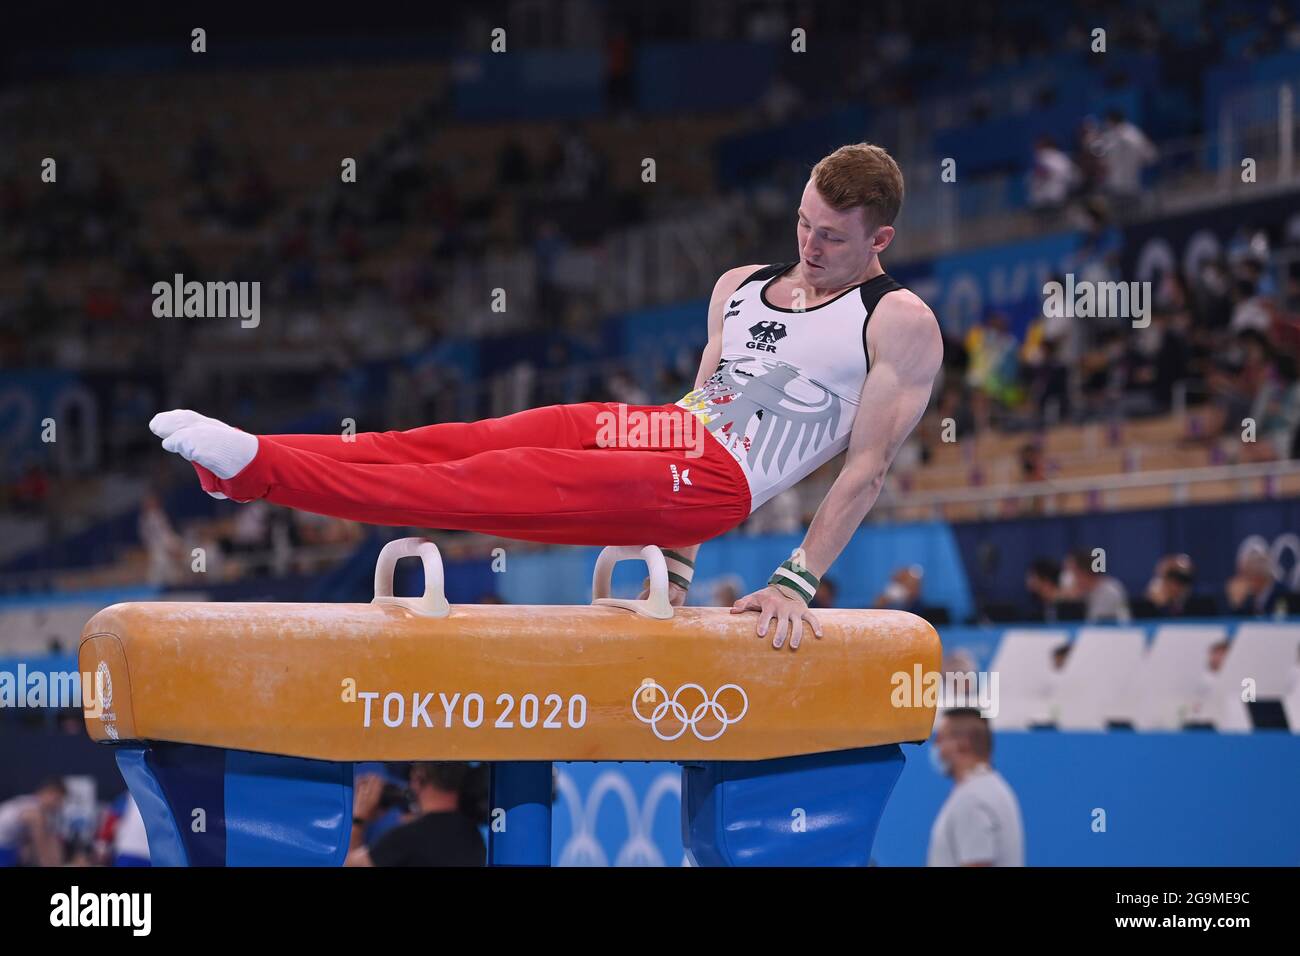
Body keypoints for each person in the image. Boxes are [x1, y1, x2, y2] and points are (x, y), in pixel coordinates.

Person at [151, 143, 943, 650]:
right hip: (660, 437)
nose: (808, 245)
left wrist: (793, 581)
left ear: (880, 241)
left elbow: (866, 468)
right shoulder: (739, 286)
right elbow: (704, 401)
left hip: (714, 481)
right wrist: (671, 572)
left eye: (832, 236)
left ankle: (258, 469)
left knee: (475, 487)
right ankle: (247, 463)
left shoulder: (898, 320)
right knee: (459, 442)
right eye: (804, 222)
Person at [927, 709, 1025, 867]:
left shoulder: (971, 799)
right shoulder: (994, 789)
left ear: (963, 743)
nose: (936, 748)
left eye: (940, 739)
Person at [346, 763, 486, 867]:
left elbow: (351, 864)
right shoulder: (473, 836)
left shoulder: (407, 838)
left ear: (418, 777)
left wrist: (359, 819)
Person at [0, 779, 66, 867]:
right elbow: (41, 847)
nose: (60, 804)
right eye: (57, 799)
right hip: (4, 850)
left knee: (27, 851)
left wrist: (58, 864)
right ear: (47, 793)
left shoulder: (47, 814)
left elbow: (52, 842)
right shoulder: (33, 811)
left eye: (61, 800)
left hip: (10, 849)